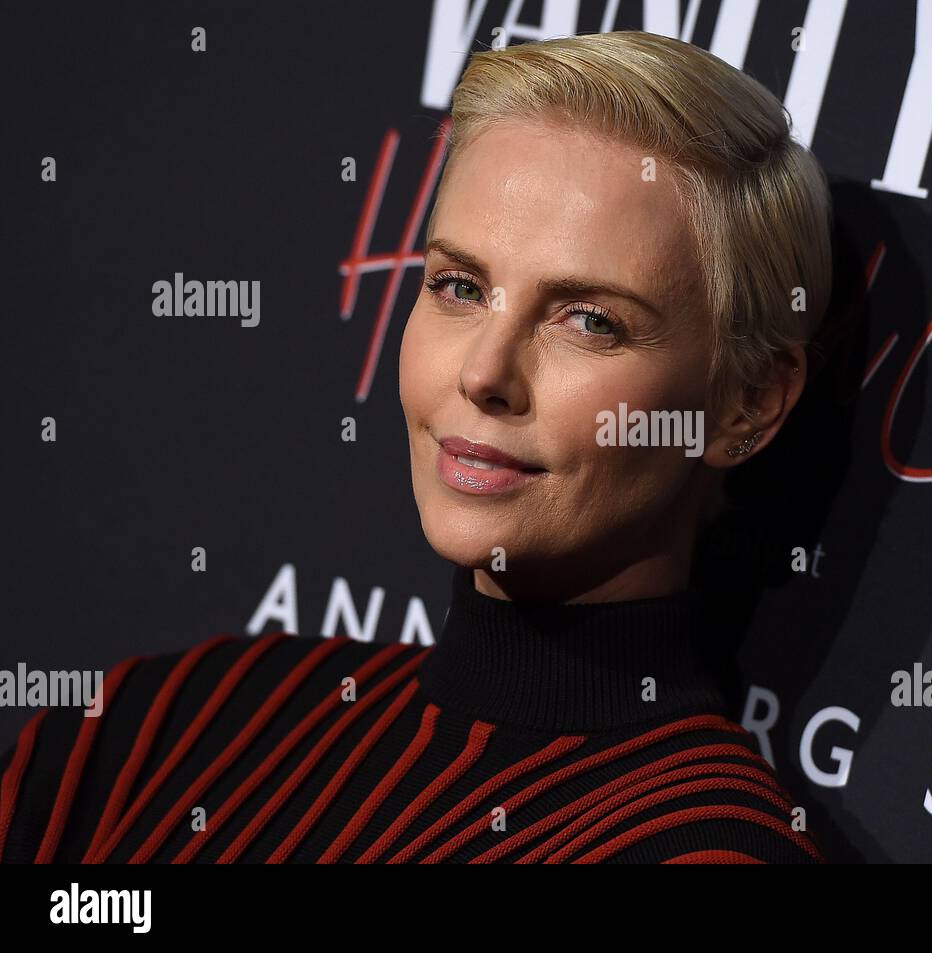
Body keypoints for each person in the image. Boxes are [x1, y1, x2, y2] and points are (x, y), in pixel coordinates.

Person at [0, 29, 832, 864]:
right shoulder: (176, 722)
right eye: (459, 286)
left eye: (590, 320)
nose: (483, 372)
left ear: (746, 404)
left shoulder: (708, 851)